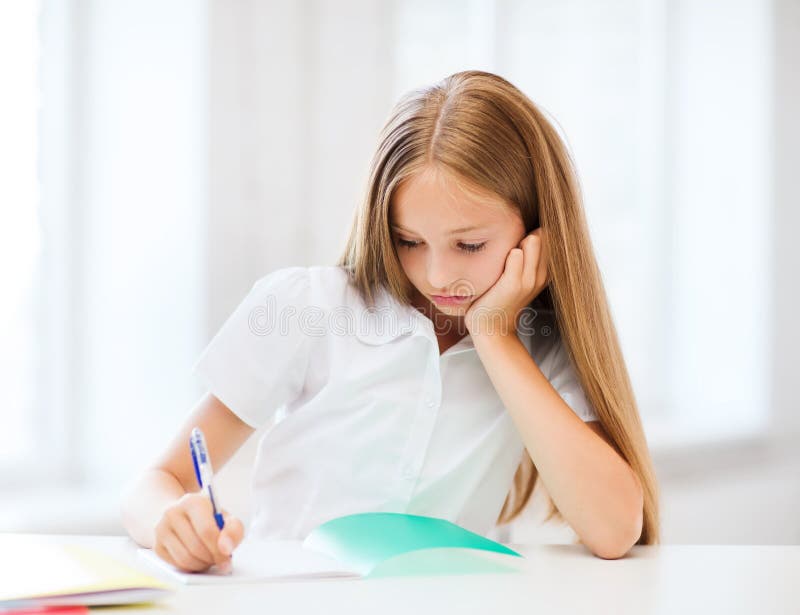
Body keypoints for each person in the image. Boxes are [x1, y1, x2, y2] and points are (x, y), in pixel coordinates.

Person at [120, 70, 659, 573]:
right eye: (409, 241)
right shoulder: (308, 308)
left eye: (469, 245)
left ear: (537, 233)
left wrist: (494, 336)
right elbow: (157, 481)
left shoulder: (540, 345)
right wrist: (170, 522)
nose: (437, 274)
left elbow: (614, 530)